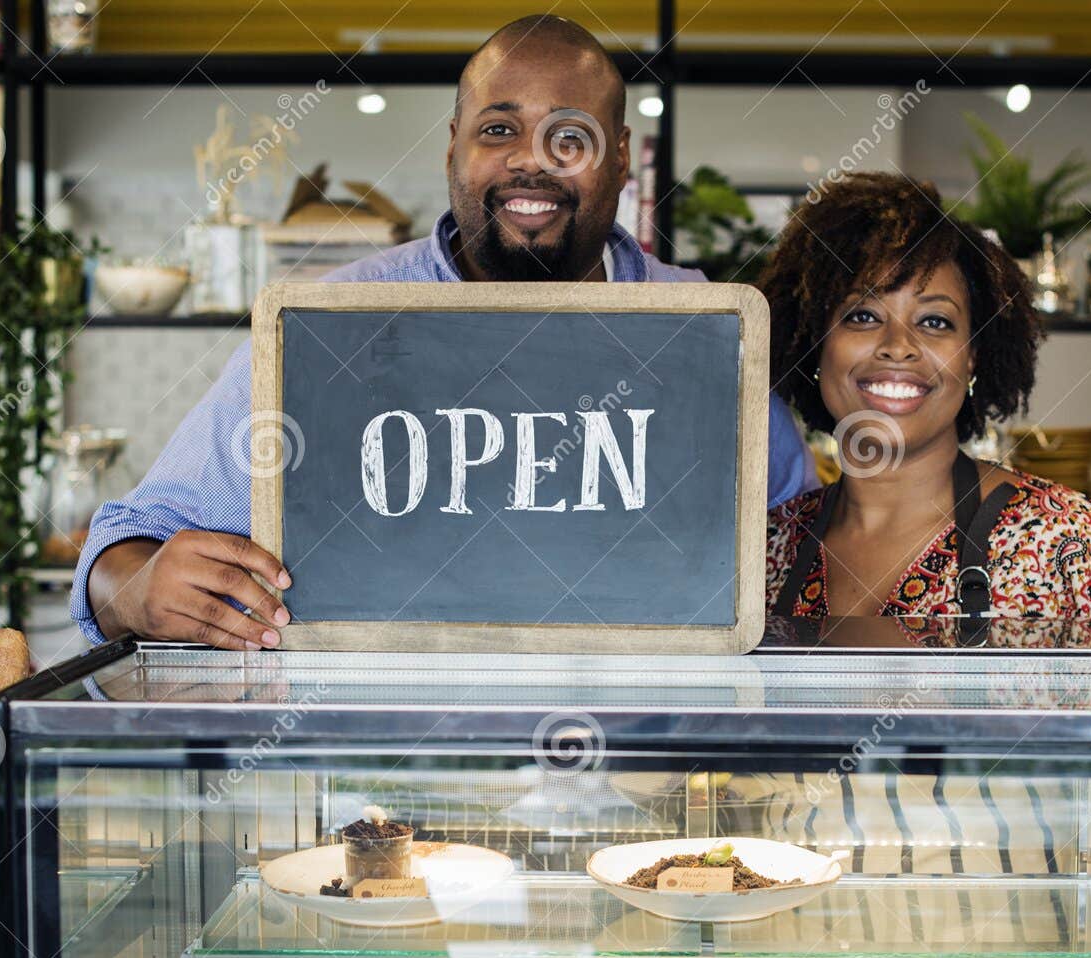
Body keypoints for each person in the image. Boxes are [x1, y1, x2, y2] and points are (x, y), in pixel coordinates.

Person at [74, 14, 816, 650]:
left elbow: (806, 559)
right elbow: (123, 547)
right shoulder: (329, 327)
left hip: (648, 785)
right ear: (453, 146)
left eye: (572, 136)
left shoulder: (711, 335)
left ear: (621, 156)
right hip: (380, 793)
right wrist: (142, 589)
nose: (532, 160)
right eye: (500, 130)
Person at [757, 172, 1091, 627]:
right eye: (863, 315)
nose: (898, 345)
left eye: (934, 322)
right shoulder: (769, 547)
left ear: (972, 358)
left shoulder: (1066, 539)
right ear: (815, 346)